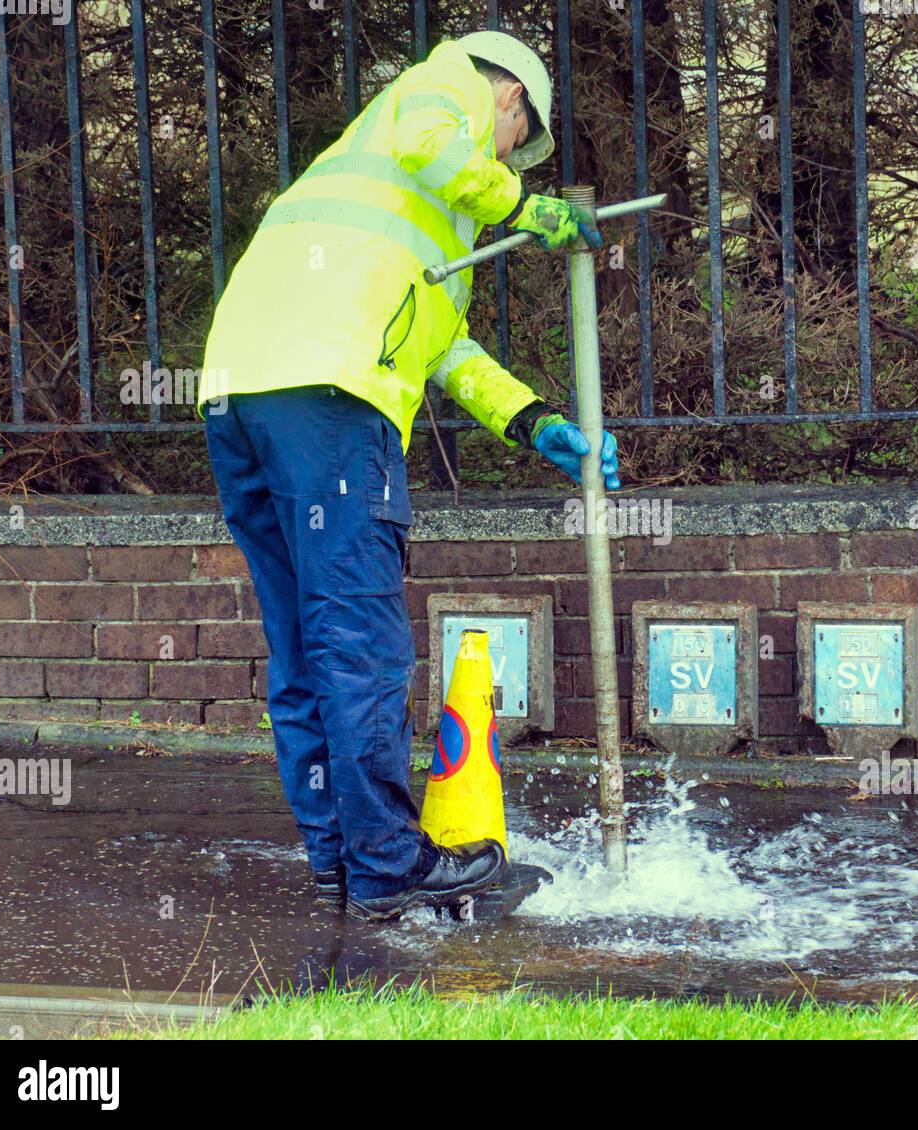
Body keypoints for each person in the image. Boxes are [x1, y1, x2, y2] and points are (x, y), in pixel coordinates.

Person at [195, 30, 620, 922]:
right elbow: (445, 150)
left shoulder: (379, 201)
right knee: (359, 643)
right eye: (517, 141)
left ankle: (340, 864)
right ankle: (390, 864)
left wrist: (530, 418)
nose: (506, 159)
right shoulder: (444, 89)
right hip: (331, 398)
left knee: (305, 649)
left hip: (242, 393)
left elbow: (444, 347)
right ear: (512, 100)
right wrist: (528, 207)